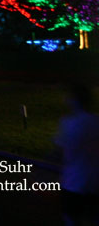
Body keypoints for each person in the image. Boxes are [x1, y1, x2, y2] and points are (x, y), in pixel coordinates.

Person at [54, 84, 99, 226]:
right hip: (95, 183)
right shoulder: (96, 121)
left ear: (74, 100)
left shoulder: (68, 123)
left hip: (73, 183)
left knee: (71, 217)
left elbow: (58, 151)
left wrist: (40, 173)